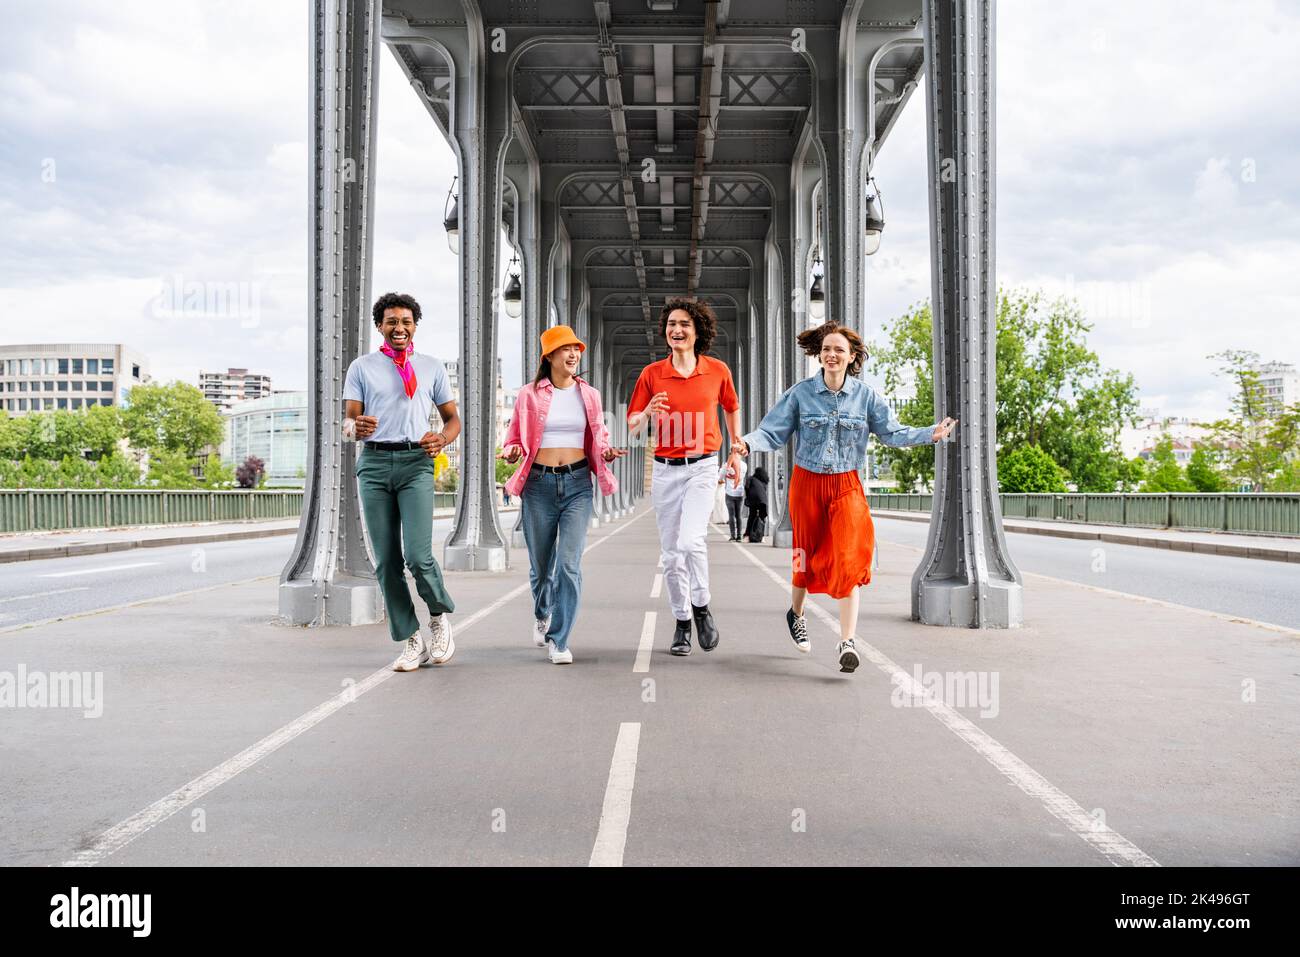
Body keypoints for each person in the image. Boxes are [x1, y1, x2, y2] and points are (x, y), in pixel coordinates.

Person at [734, 321, 956, 673]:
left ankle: (847, 641)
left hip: (846, 484)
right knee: (804, 559)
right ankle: (796, 613)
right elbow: (772, 432)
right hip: (807, 484)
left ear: (852, 357)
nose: (831, 354)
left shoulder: (865, 397)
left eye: (839, 350)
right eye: (826, 350)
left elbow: (892, 433)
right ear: (819, 356)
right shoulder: (800, 393)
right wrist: (746, 444)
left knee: (850, 556)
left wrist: (930, 433)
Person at [343, 292, 460, 672]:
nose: (400, 328)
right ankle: (410, 639)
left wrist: (441, 439)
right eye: (392, 321)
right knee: (387, 561)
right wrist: (354, 428)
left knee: (418, 555)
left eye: (406, 322)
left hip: (416, 463)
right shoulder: (362, 368)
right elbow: (348, 423)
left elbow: (452, 421)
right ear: (380, 326)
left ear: (415, 327)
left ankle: (439, 618)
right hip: (375, 464)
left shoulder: (431, 368)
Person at [500, 326, 626, 664]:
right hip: (538, 486)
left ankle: (560, 639)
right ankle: (542, 612)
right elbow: (513, 438)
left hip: (577, 486)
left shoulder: (591, 395)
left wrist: (607, 453)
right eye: (565, 349)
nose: (573, 355)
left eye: (577, 349)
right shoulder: (528, 395)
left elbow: (598, 436)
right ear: (550, 356)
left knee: (569, 564)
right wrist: (512, 451)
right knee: (542, 568)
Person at [627, 297, 745, 657]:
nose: (676, 330)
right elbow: (631, 427)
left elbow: (731, 407)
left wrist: (735, 451)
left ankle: (702, 607)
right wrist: (645, 412)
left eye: (684, 325)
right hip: (665, 470)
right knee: (671, 555)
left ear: (698, 332)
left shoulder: (717, 371)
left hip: (703, 466)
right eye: (671, 325)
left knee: (691, 541)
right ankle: (682, 623)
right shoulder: (651, 374)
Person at [718, 455, 747, 541]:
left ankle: (733, 536)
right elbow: (742, 477)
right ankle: (739, 536)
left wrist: (723, 478)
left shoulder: (726, 466)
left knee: (731, 515)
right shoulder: (744, 465)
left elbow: (720, 477)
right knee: (739, 515)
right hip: (740, 493)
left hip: (730, 492)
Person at [743, 465, 768, 543]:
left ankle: (747, 536)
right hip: (763, 501)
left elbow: (746, 487)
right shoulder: (764, 482)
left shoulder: (751, 478)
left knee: (751, 517)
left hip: (753, 500)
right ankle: (761, 536)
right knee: (762, 518)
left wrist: (748, 497)